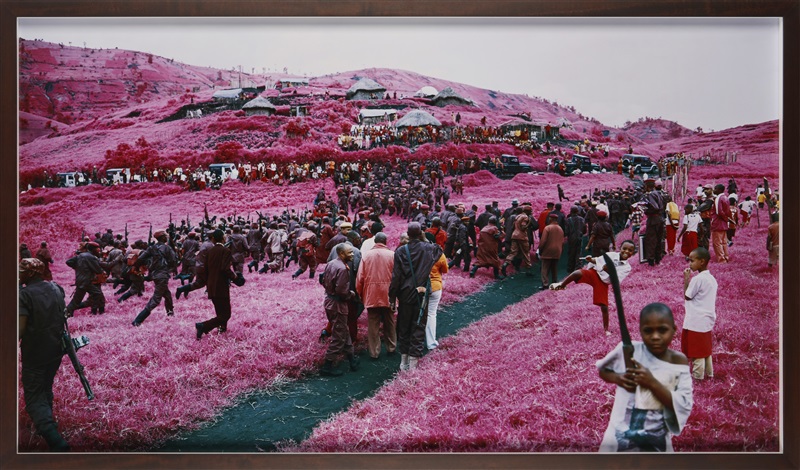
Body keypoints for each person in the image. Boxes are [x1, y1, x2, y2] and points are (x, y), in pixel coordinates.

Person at [596, 303, 692, 452]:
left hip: (656, 439)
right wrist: (618, 378)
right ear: (640, 331)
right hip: (618, 436)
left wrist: (651, 382)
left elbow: (683, 404)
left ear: (674, 329)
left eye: (662, 330)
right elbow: (603, 370)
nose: (655, 337)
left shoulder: (678, 362)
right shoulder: (629, 350)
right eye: (648, 331)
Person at [18, 258, 71, 451]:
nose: (18, 272)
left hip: (35, 352)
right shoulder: (56, 288)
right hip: (55, 349)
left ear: (30, 273)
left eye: (20, 270)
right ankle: (47, 422)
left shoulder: (23, 295)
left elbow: (19, 330)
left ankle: (55, 440)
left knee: (33, 398)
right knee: (46, 386)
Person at [550, 240, 636, 335]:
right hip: (595, 273)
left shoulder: (627, 267)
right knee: (578, 273)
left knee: (604, 306)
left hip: (603, 282)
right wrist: (590, 259)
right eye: (624, 249)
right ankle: (562, 285)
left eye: (630, 250)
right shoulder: (611, 255)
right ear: (620, 249)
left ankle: (606, 329)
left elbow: (616, 280)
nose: (626, 251)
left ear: (633, 253)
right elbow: (598, 260)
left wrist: (609, 271)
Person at [389, 222, 443, 371]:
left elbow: (396, 277)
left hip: (405, 294)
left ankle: (403, 362)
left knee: (404, 327)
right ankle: (413, 366)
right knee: (418, 327)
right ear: (420, 233)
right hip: (421, 295)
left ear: (407, 233)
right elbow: (439, 250)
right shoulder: (429, 248)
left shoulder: (400, 251)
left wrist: (392, 297)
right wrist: (424, 239)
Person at [320, 244, 360, 376]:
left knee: (343, 330)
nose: (353, 255)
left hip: (329, 301)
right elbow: (342, 291)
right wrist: (351, 294)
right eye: (350, 253)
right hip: (338, 304)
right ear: (342, 254)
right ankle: (327, 366)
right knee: (339, 335)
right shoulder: (343, 268)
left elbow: (323, 280)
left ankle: (352, 360)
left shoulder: (331, 263)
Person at [355, 232, 396, 359]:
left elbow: (360, 277)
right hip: (389, 293)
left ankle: (374, 352)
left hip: (371, 293)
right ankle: (391, 347)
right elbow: (397, 276)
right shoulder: (392, 255)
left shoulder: (366, 255)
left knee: (373, 324)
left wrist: (360, 293)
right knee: (390, 320)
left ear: (375, 242)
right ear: (386, 241)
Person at [681, 247, 718, 380]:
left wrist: (686, 279)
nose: (689, 264)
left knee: (697, 351)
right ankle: (710, 374)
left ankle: (698, 377)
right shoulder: (711, 279)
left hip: (696, 320)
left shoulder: (698, 279)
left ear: (702, 262)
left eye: (692, 260)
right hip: (706, 319)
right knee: (705, 349)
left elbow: (687, 296)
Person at [195, 230, 238, 339]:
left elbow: (205, 270)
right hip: (221, 285)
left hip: (211, 286)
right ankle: (203, 326)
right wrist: (235, 278)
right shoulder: (226, 251)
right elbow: (225, 269)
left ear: (213, 238)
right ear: (223, 238)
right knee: (226, 315)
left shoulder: (210, 251)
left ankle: (222, 329)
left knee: (220, 311)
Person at [132, 230, 178, 326]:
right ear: (162, 238)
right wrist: (168, 269)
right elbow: (174, 261)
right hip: (162, 275)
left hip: (155, 275)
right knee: (156, 299)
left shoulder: (151, 248)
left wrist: (136, 267)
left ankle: (170, 313)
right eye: (165, 236)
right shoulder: (167, 248)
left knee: (167, 295)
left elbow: (140, 258)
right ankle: (138, 320)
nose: (167, 238)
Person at [65, 242, 106, 316]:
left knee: (76, 301)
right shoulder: (91, 257)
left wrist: (78, 268)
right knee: (97, 294)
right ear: (93, 249)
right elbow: (98, 270)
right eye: (97, 249)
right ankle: (94, 311)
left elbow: (68, 262)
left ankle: (67, 313)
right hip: (86, 282)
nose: (99, 250)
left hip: (80, 281)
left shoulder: (80, 255)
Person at [425, 251, 449, 350]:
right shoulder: (439, 254)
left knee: (419, 312)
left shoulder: (419, 252)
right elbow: (445, 269)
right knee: (431, 314)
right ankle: (431, 343)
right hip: (435, 286)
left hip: (420, 286)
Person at [537, 213, 564, 290]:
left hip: (548, 250)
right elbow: (562, 242)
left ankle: (545, 284)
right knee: (554, 268)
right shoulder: (560, 229)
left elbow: (543, 241)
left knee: (545, 268)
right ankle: (555, 282)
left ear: (550, 219)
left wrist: (540, 250)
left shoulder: (547, 228)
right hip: (557, 251)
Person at [710, 184, 731, 263]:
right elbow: (728, 211)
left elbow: (719, 211)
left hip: (717, 223)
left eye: (715, 188)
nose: (714, 190)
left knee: (717, 242)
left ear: (719, 190)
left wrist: (724, 218)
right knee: (724, 242)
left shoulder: (718, 198)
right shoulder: (726, 198)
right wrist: (727, 219)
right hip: (724, 224)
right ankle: (726, 256)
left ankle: (721, 259)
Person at [564, 206, 587, 273]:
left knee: (571, 253)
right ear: (577, 211)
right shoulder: (582, 219)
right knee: (578, 253)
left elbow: (566, 231)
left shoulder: (568, 220)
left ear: (571, 211)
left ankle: (571, 269)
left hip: (571, 239)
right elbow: (585, 230)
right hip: (579, 238)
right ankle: (578, 268)